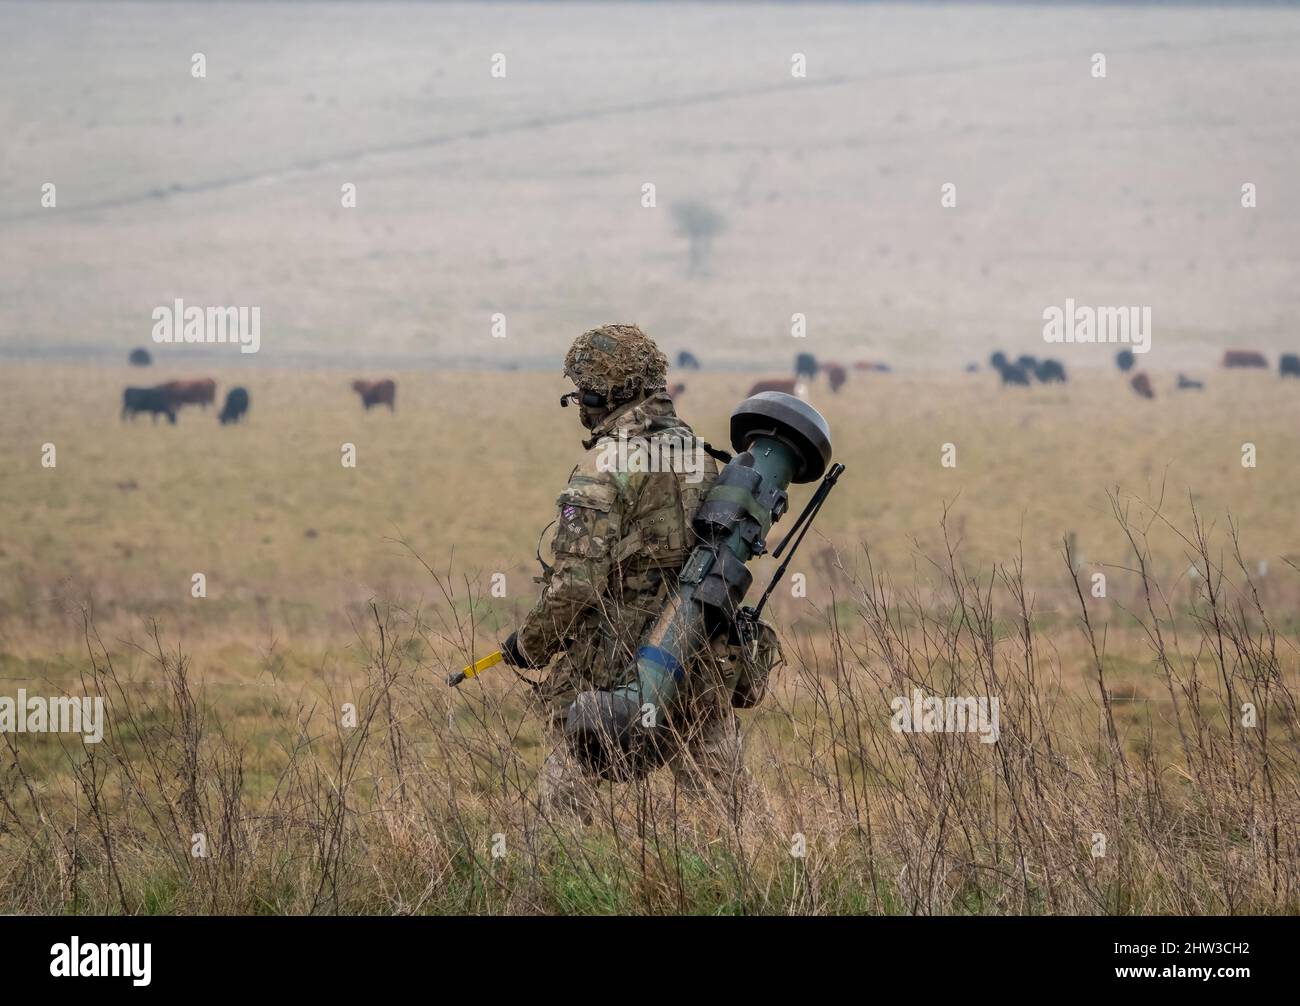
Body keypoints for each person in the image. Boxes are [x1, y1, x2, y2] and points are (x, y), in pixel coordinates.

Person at [500, 323, 745, 820]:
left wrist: (529, 645)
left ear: (604, 395)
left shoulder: (606, 468)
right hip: (698, 645)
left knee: (564, 800)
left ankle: (561, 893)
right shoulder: (701, 457)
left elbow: (575, 585)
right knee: (724, 801)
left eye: (584, 395)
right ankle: (760, 889)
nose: (583, 407)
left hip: (617, 659)